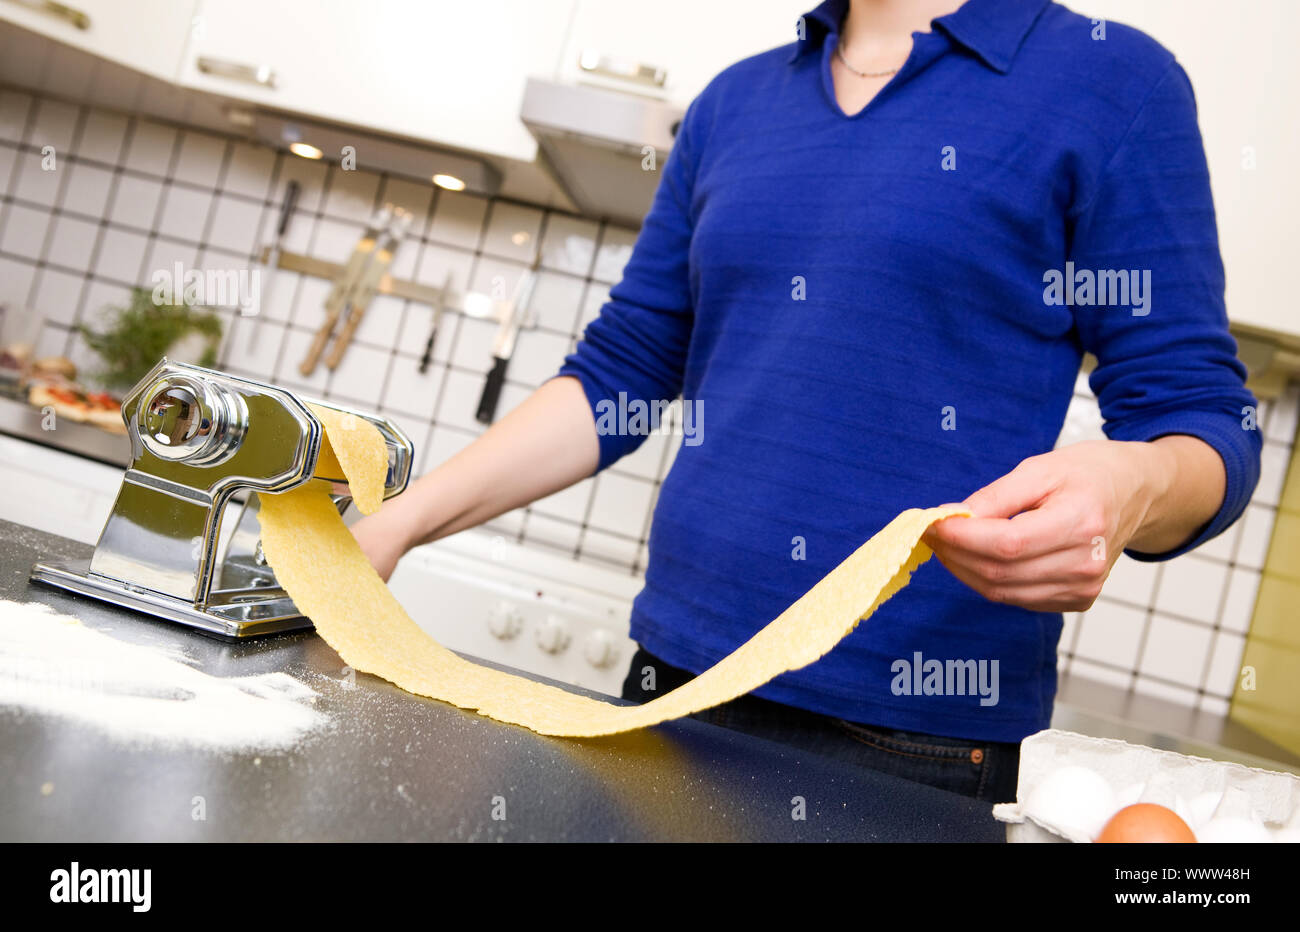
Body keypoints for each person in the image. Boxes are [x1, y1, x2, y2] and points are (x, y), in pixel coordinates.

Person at [352, 0, 1260, 803]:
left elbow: (1203, 419)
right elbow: (622, 371)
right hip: (670, 690)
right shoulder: (735, 102)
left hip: (916, 748)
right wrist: (399, 522)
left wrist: (1128, 483)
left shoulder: (1114, 81)